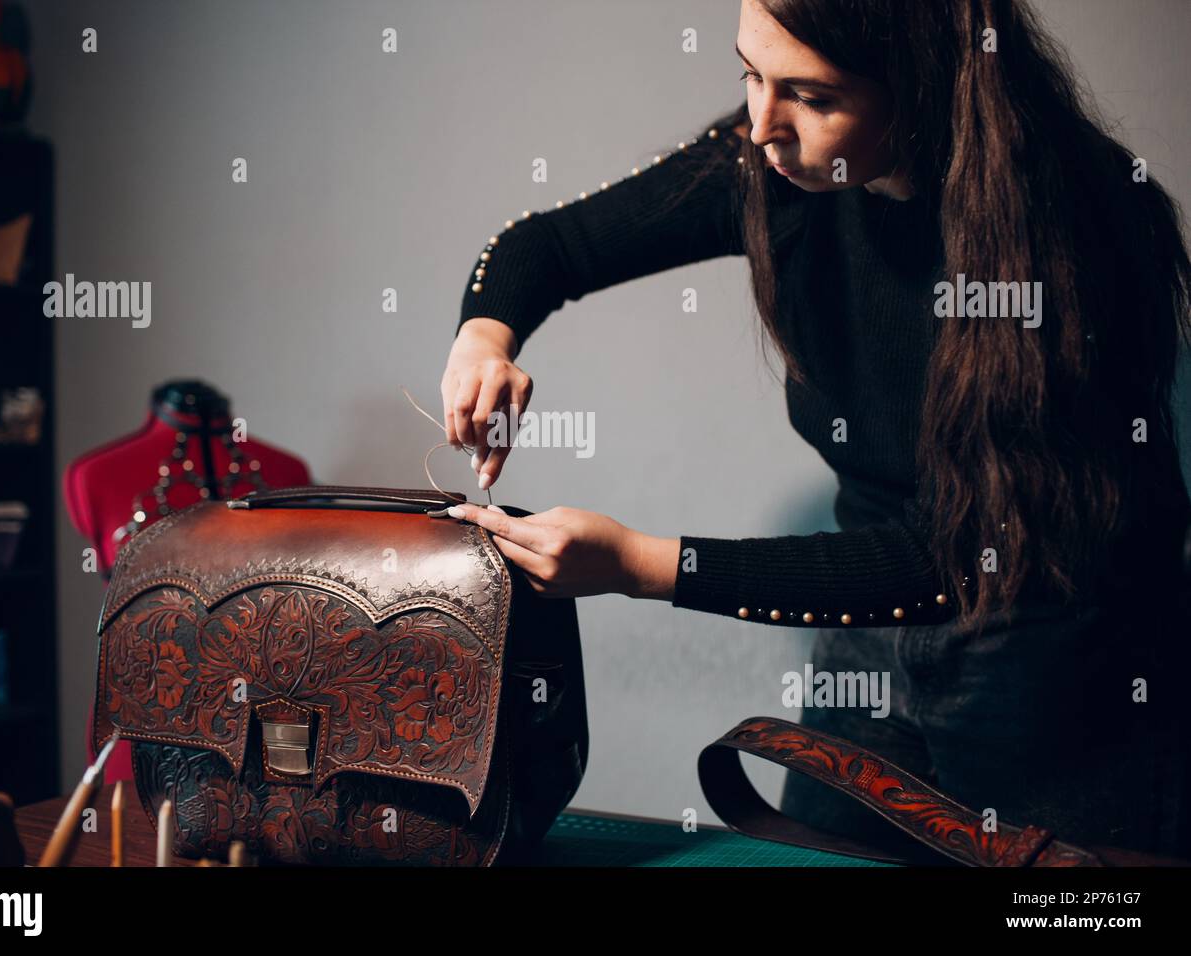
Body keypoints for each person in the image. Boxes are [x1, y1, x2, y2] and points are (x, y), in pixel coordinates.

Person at [438, 0, 1191, 858]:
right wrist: (485, 338)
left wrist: (641, 564)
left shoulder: (1078, 231)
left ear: (930, 85)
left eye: (813, 97)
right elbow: (555, 243)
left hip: (1057, 664)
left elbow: (949, 559)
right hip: (869, 624)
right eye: (750, 75)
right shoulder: (774, 161)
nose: (762, 127)